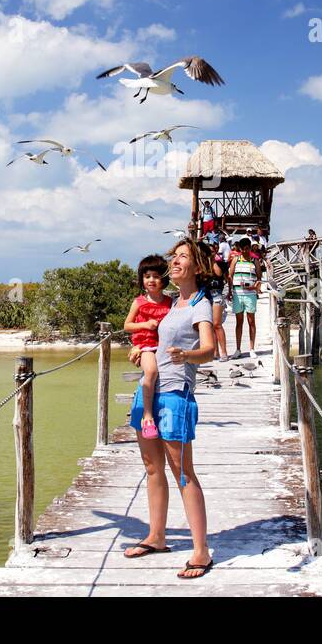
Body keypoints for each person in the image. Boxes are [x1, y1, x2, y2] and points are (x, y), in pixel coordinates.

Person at [124, 239, 216, 580]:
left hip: (176, 393)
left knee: (183, 472)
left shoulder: (200, 305)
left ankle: (201, 551)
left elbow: (209, 350)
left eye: (182, 257)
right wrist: (141, 353)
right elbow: (156, 343)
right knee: (152, 468)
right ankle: (157, 536)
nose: (173, 262)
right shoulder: (173, 304)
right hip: (150, 393)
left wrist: (185, 356)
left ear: (198, 267)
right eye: (173, 257)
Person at [122, 255, 173, 437]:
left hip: (164, 345)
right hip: (146, 345)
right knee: (151, 372)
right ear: (142, 279)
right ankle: (147, 415)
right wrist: (145, 324)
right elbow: (127, 325)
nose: (151, 280)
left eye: (156, 276)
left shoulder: (170, 302)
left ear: (164, 279)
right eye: (147, 276)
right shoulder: (139, 302)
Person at [229, 238, 260, 354]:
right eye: (242, 249)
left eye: (247, 249)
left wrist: (254, 287)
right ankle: (238, 349)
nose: (244, 251)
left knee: (251, 321)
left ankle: (252, 349)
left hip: (250, 294)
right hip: (237, 294)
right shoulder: (236, 259)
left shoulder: (254, 261)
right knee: (239, 322)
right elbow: (230, 276)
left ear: (250, 248)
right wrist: (229, 291)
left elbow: (259, 279)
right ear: (240, 249)